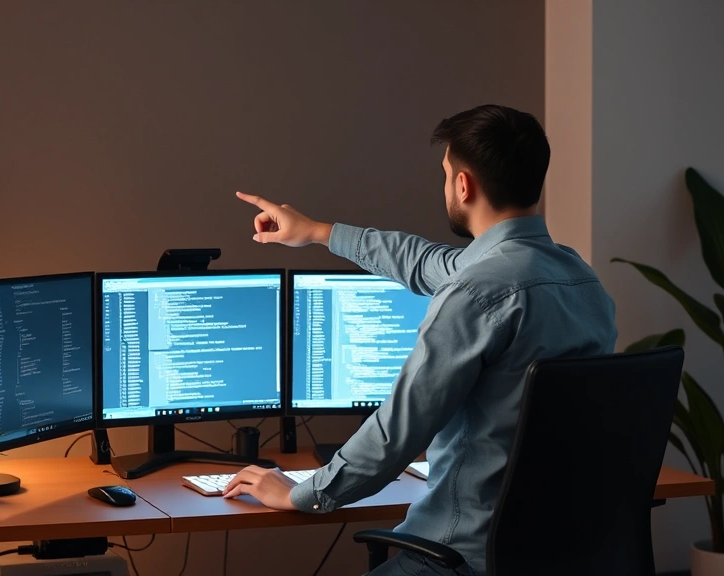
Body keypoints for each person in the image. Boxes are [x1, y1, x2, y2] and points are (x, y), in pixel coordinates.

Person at [223, 104, 618, 576]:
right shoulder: (581, 281)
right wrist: (317, 232)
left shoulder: (475, 292)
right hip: (562, 553)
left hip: (461, 556)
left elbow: (398, 431)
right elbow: (423, 261)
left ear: (464, 185)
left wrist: (301, 492)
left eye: (446, 173)